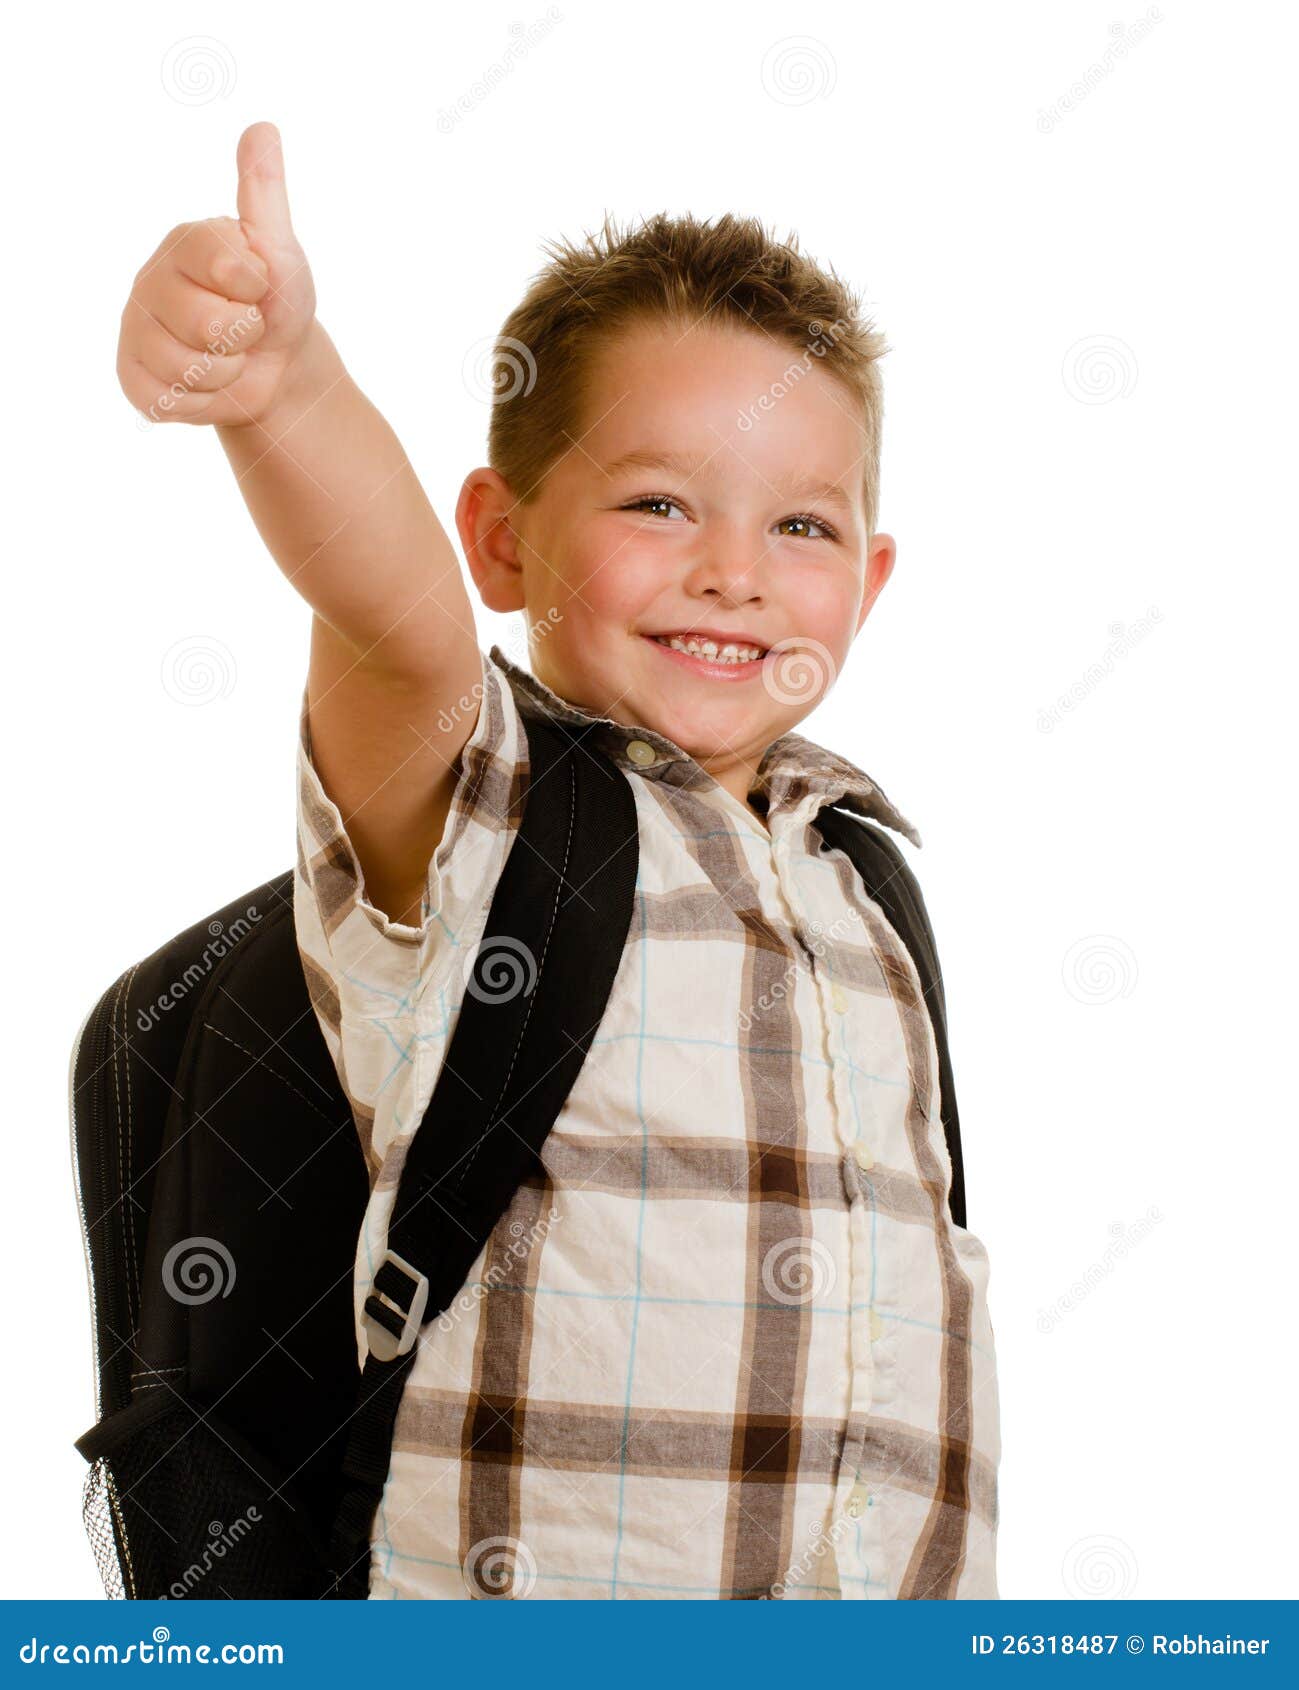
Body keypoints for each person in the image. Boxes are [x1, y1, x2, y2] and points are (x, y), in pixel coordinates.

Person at [116, 121, 1000, 1601]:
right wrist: (285, 390)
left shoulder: (869, 885)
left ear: (870, 579)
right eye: (658, 503)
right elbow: (395, 620)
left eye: (802, 525)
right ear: (503, 538)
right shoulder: (494, 809)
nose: (734, 570)